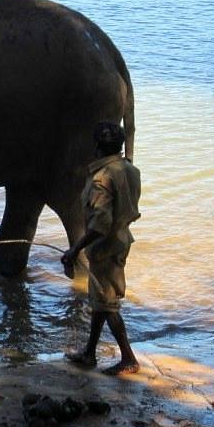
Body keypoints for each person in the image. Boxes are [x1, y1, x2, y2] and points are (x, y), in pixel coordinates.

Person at [61, 121, 142, 375]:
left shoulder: (101, 180)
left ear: (97, 147)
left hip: (104, 248)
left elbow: (100, 225)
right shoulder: (129, 169)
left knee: (107, 305)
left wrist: (75, 249)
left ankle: (128, 358)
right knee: (100, 300)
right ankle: (89, 353)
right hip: (121, 240)